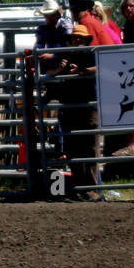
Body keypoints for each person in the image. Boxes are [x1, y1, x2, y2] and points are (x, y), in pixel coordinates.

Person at [48, 24, 103, 200]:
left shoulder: (91, 54)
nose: (77, 40)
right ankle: (81, 186)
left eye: (81, 38)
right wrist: (59, 69)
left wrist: (80, 70)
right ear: (71, 39)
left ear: (86, 40)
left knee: (90, 147)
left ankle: (92, 187)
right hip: (70, 106)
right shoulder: (64, 54)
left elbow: (100, 67)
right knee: (73, 148)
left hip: (88, 106)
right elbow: (49, 72)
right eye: (75, 37)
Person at [33, 0, 74, 66]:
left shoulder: (65, 28)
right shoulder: (42, 29)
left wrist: (52, 56)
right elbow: (39, 44)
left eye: (51, 14)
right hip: (50, 64)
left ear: (57, 14)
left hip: (63, 64)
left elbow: (67, 49)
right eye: (46, 15)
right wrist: (38, 51)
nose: (48, 17)